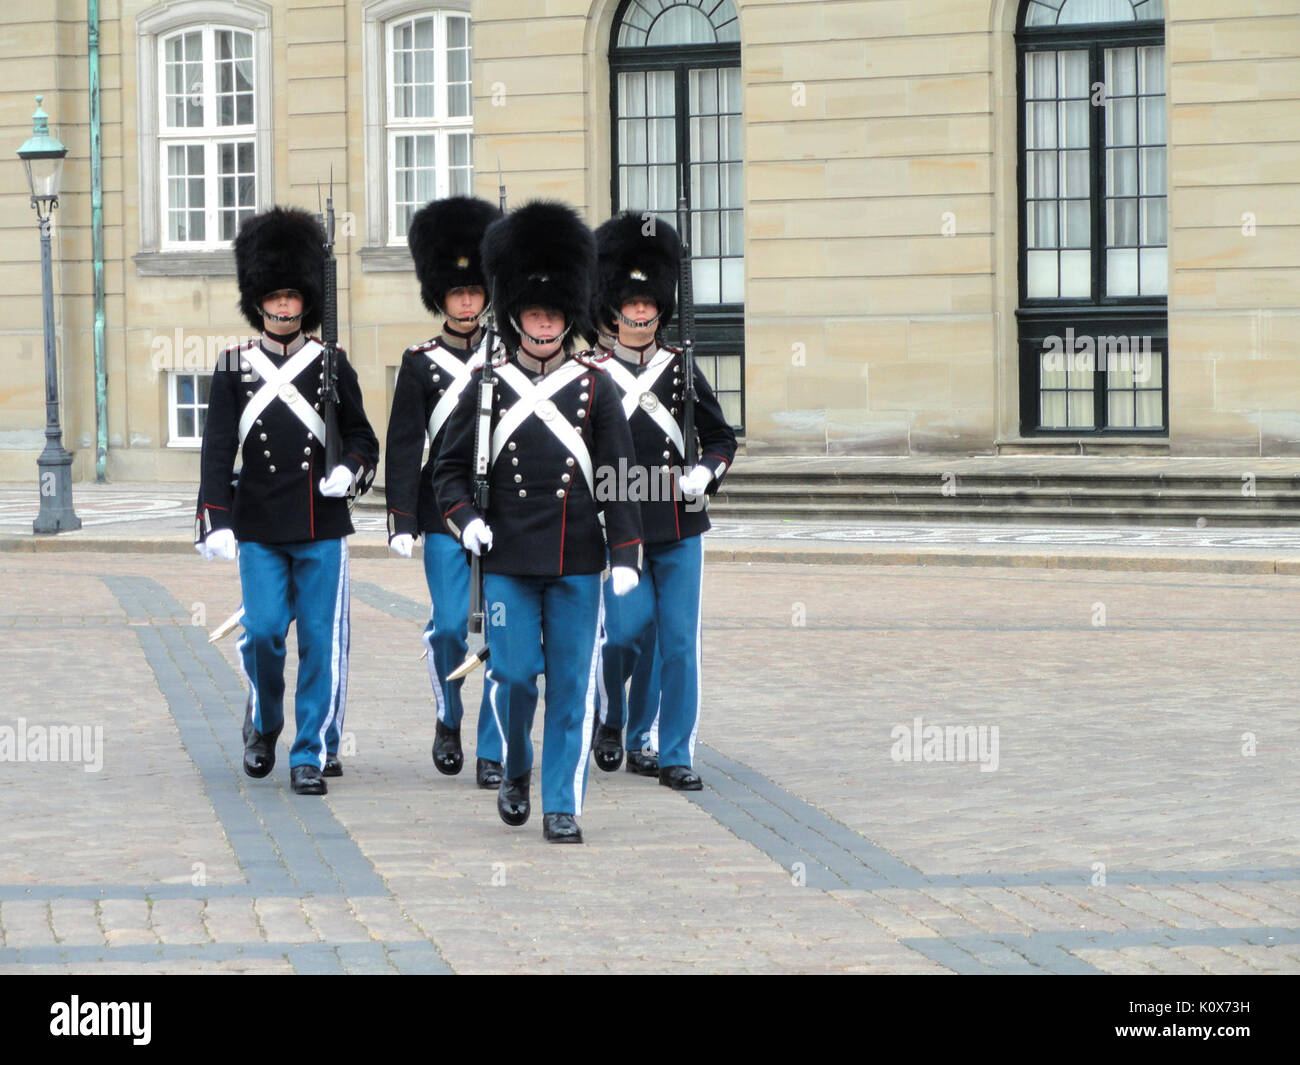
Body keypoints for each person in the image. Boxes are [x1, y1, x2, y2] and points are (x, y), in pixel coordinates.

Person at [433, 200, 643, 843]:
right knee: (516, 675)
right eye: (534, 311)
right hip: (509, 563)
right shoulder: (486, 386)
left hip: (578, 560)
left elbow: (618, 475)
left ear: (569, 316)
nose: (545, 321)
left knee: (573, 686)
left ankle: (562, 803)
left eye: (555, 312)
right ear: (516, 315)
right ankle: (516, 765)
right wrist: (465, 520)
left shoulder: (594, 386)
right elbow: (446, 470)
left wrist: (629, 554)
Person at [195, 206, 378, 796]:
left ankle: (309, 751)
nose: (282, 307)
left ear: (306, 301)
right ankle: (266, 720)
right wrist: (214, 520)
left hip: (321, 523)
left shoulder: (332, 363)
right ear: (259, 301)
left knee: (320, 642)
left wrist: (348, 471)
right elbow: (217, 450)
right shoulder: (231, 367)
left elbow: (363, 438)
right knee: (266, 633)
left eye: (292, 297)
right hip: (260, 524)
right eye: (272, 297)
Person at [587, 210, 737, 790]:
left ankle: (674, 752)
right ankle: (615, 714)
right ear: (614, 308)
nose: (642, 312)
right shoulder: (592, 374)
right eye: (632, 303)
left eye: (650, 304)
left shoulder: (681, 369)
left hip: (679, 521)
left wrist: (706, 472)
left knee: (678, 643)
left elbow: (721, 437)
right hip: (617, 521)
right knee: (626, 633)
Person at [387, 195, 506, 788]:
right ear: (442, 296)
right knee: (451, 626)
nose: (466, 299)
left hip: (502, 510)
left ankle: (492, 747)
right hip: (441, 512)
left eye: (474, 290)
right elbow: (406, 443)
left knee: (502, 632)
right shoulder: (421, 362)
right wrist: (401, 518)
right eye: (456, 292)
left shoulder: (507, 357)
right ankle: (447, 712)